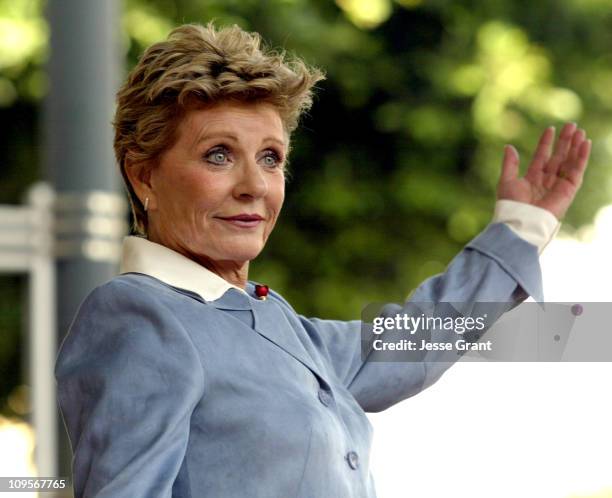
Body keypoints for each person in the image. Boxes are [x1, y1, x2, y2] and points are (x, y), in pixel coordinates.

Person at [54, 22, 591, 498]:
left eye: (271, 158)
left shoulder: (272, 323)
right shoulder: (135, 316)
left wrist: (523, 227)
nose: (254, 186)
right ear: (144, 174)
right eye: (219, 155)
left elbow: (417, 338)